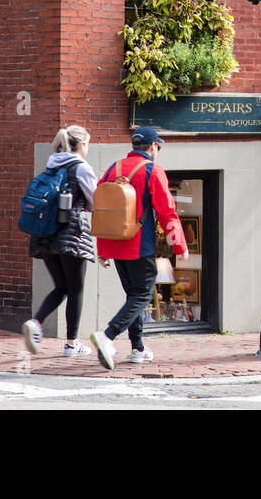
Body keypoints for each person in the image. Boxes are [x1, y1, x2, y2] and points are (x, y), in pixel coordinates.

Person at [89, 126, 188, 370]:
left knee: (133, 295)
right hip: (139, 244)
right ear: (153, 147)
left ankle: (138, 348)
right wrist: (179, 246)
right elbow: (167, 212)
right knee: (142, 295)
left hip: (115, 242)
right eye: (158, 147)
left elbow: (101, 209)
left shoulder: (113, 168)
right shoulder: (153, 170)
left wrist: (103, 248)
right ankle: (107, 336)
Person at [22, 125, 98, 357]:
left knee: (61, 287)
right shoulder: (81, 167)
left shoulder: (51, 166)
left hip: (45, 235)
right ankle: (72, 343)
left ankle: (36, 322)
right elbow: (96, 201)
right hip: (71, 234)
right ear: (82, 145)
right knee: (76, 289)